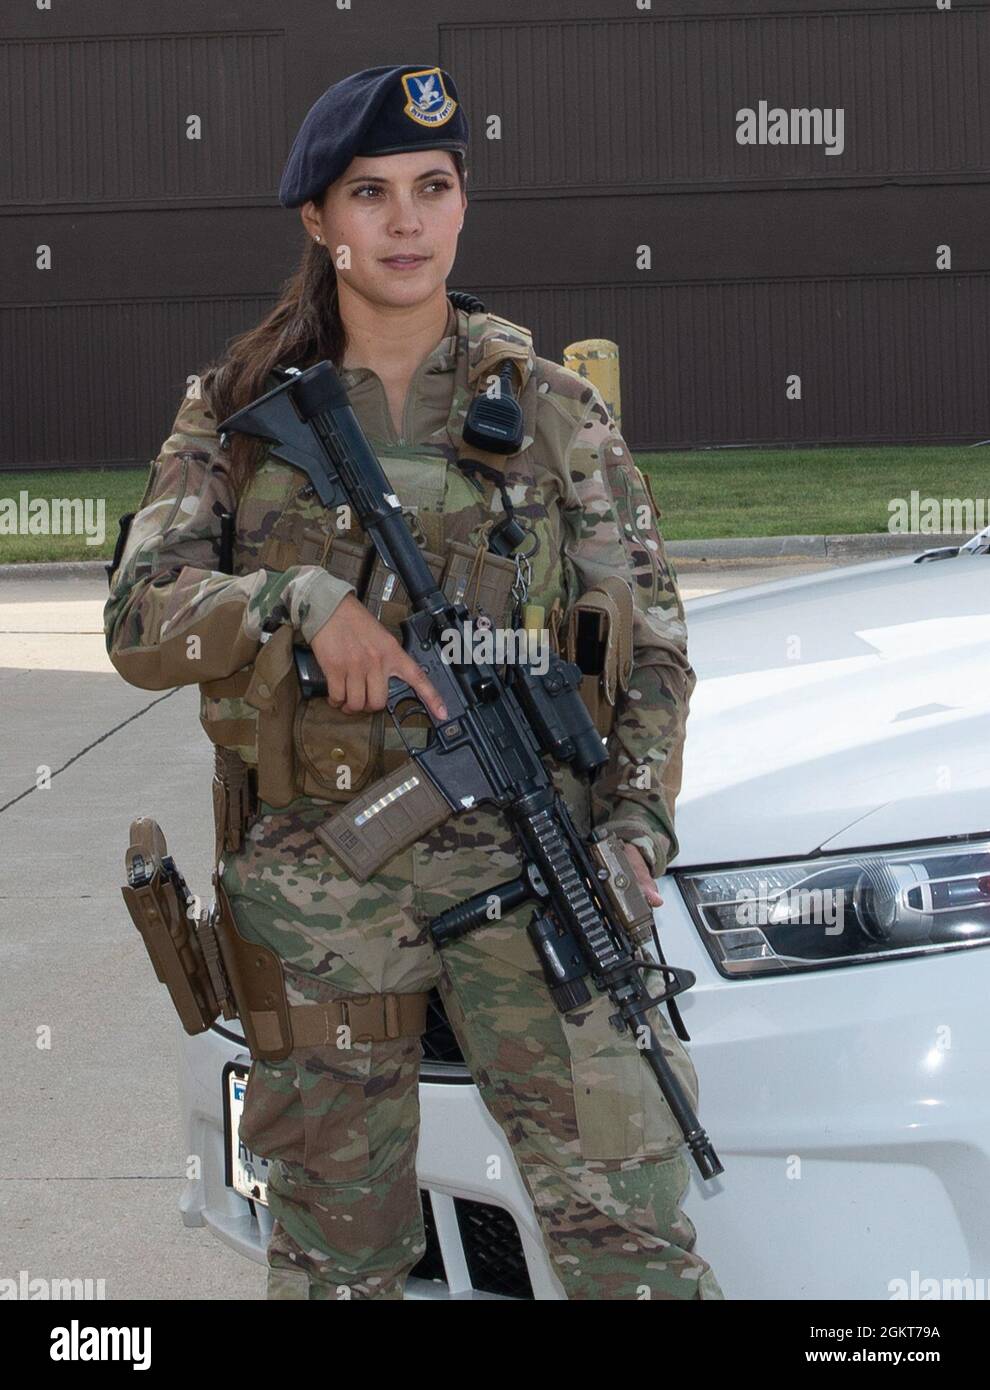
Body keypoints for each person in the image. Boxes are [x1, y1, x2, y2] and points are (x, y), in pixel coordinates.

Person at [104, 63, 723, 1301]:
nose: (404, 222)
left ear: (461, 206)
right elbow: (137, 622)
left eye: (432, 189)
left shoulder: (554, 415)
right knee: (341, 1267)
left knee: (632, 1243)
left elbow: (653, 645)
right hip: (323, 889)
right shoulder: (234, 413)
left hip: (535, 876)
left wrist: (639, 829)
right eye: (370, 193)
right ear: (318, 222)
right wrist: (291, 602)